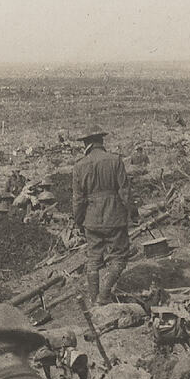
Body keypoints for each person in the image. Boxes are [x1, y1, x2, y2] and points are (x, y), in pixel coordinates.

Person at [71, 128, 134, 305]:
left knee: (93, 259)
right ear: (101, 141)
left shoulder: (79, 166)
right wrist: (132, 212)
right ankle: (104, 296)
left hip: (91, 220)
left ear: (86, 144)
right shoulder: (115, 160)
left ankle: (93, 300)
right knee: (119, 257)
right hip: (115, 217)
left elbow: (78, 199)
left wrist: (78, 220)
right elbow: (125, 191)